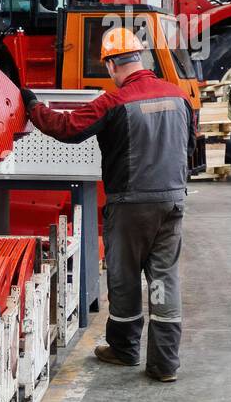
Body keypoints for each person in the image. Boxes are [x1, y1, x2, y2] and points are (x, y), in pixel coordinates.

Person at [19, 26, 196, 382]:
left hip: (131, 205)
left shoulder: (114, 101)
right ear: (140, 57)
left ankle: (125, 349)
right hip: (172, 201)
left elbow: (67, 128)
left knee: (125, 276)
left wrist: (33, 106)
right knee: (163, 280)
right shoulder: (179, 96)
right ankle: (165, 364)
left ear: (113, 64)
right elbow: (190, 145)